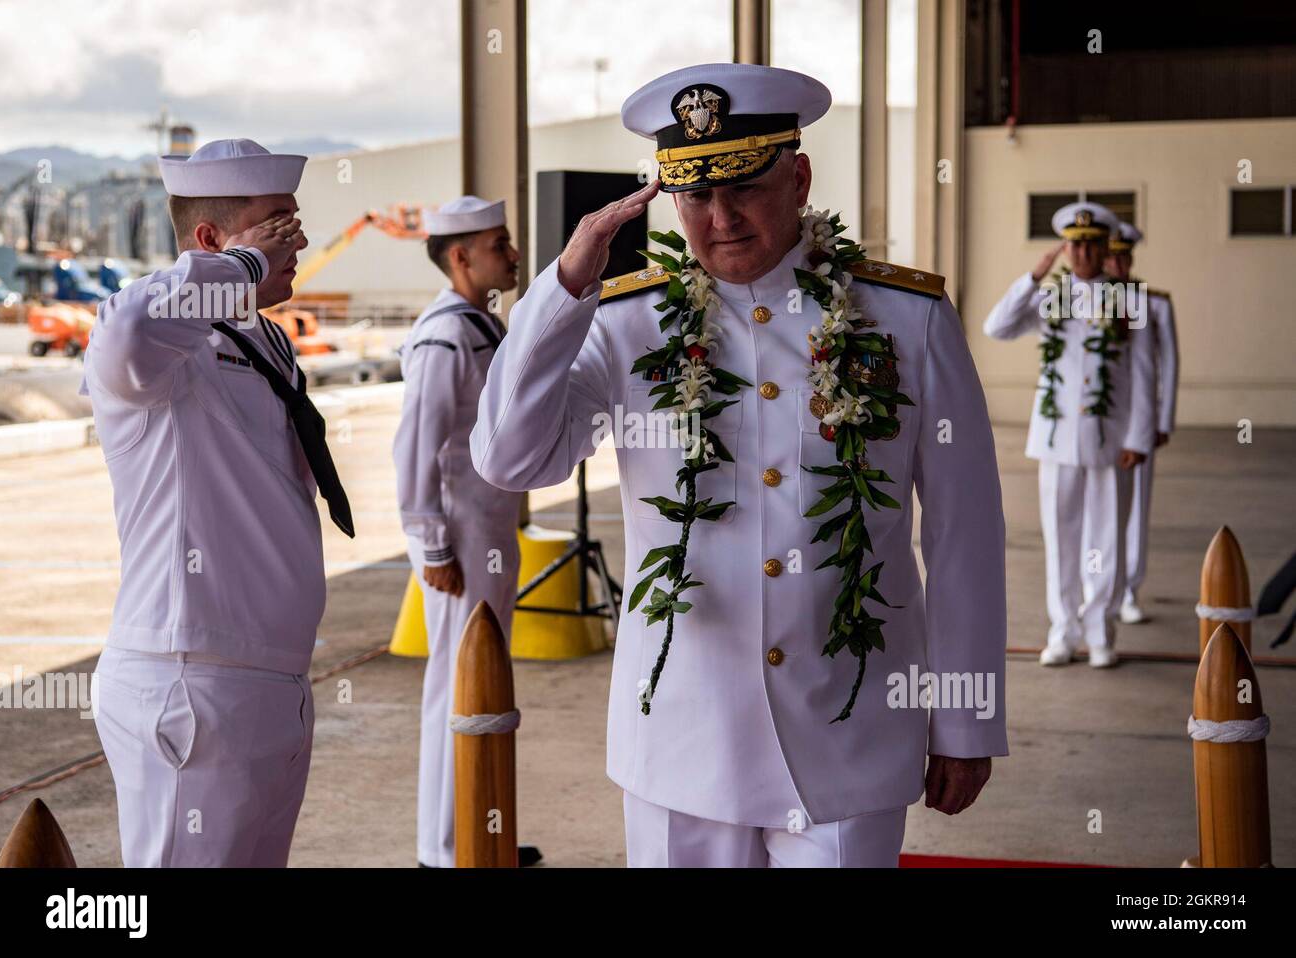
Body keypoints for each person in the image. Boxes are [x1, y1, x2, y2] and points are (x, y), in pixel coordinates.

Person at [471, 63, 1007, 867]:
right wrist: (565, 286)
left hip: (847, 735)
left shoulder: (906, 318)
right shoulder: (625, 322)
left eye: (746, 188)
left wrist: (966, 721)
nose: (720, 218)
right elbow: (510, 458)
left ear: (798, 177)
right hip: (683, 742)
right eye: (694, 197)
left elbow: (966, 533)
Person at [83, 138, 354, 866]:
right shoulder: (167, 346)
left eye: (295, 225)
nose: (295, 243)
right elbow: (127, 334)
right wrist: (243, 265)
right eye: (276, 226)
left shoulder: (265, 338)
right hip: (192, 683)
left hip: (268, 679)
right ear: (210, 243)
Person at [393, 196, 538, 867]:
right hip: (462, 539)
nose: (512, 254)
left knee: (484, 686)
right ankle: (444, 848)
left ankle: (482, 829)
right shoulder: (443, 336)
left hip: (490, 532)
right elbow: (414, 450)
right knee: (457, 688)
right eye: (499, 243)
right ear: (461, 256)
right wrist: (432, 546)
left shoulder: (482, 325)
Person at [984, 202, 1155, 668]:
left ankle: (1100, 632)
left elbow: (1143, 374)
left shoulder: (1129, 301)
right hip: (1058, 437)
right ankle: (1063, 630)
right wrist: (1034, 276)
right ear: (1066, 249)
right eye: (1074, 245)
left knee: (1104, 540)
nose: (1082, 253)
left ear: (1104, 248)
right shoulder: (1051, 297)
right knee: (1061, 538)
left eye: (1091, 244)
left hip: (1109, 438)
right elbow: (995, 327)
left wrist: (1139, 437)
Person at [1104, 222, 1178, 624]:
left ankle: (1130, 589)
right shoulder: (1086, 301)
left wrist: (1161, 421)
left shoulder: (1154, 304)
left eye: (1122, 255)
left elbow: (1168, 367)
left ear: (1130, 259)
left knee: (1136, 509)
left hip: (1141, 420)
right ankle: (1100, 588)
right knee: (1099, 511)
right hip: (1100, 425)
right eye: (1110, 255)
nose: (1116, 263)